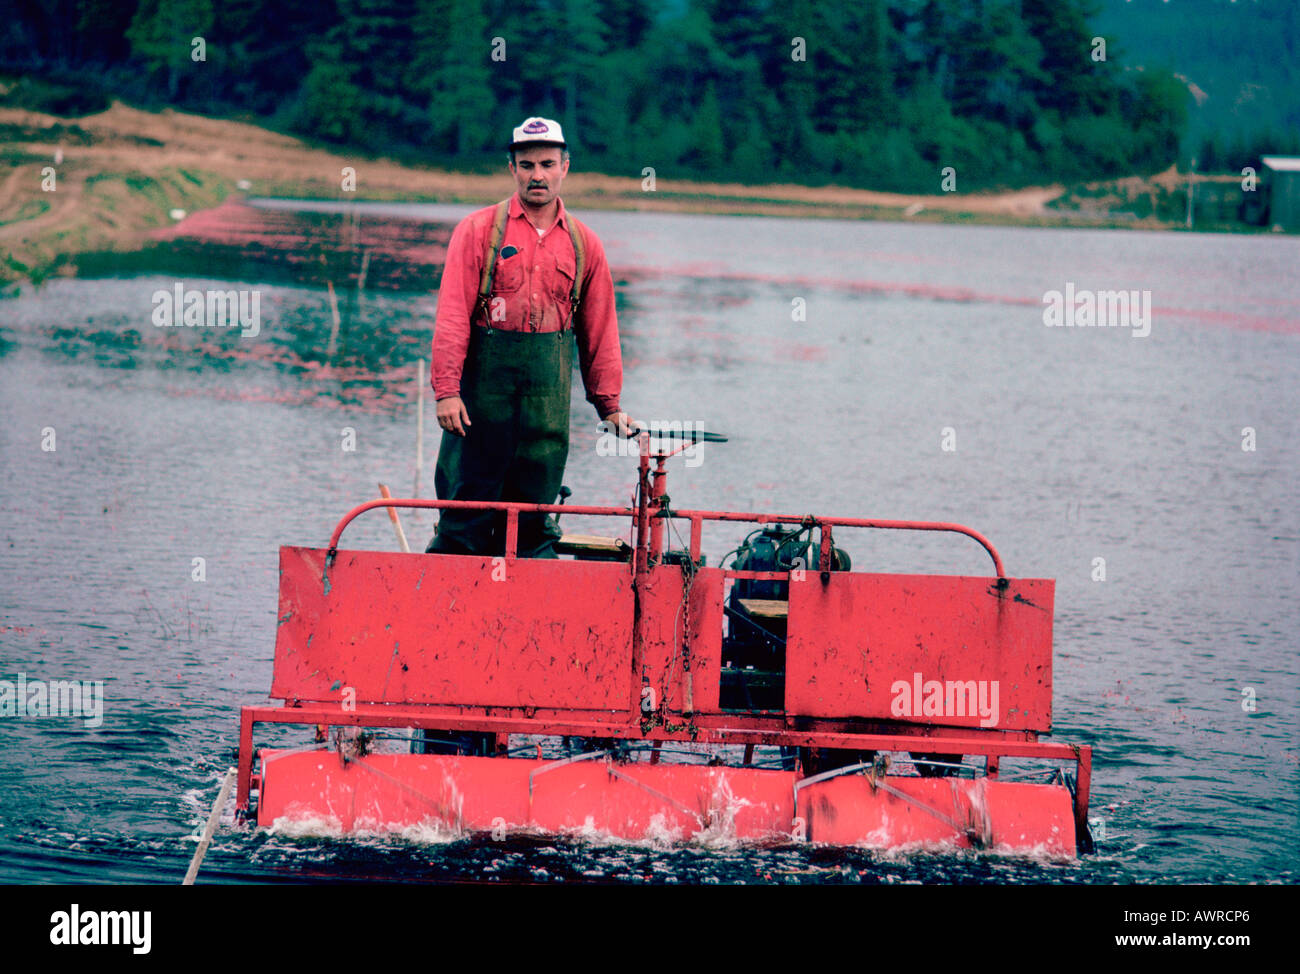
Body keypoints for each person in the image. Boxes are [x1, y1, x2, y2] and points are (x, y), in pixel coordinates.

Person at [426, 117, 638, 558]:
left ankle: (531, 617)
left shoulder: (585, 244)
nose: (536, 174)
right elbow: (451, 317)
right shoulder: (478, 231)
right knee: (464, 518)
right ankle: (441, 612)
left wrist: (610, 407)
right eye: (526, 165)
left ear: (565, 167)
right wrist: (447, 392)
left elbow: (599, 331)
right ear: (512, 168)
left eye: (546, 164)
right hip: (478, 408)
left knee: (533, 520)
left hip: (546, 411)